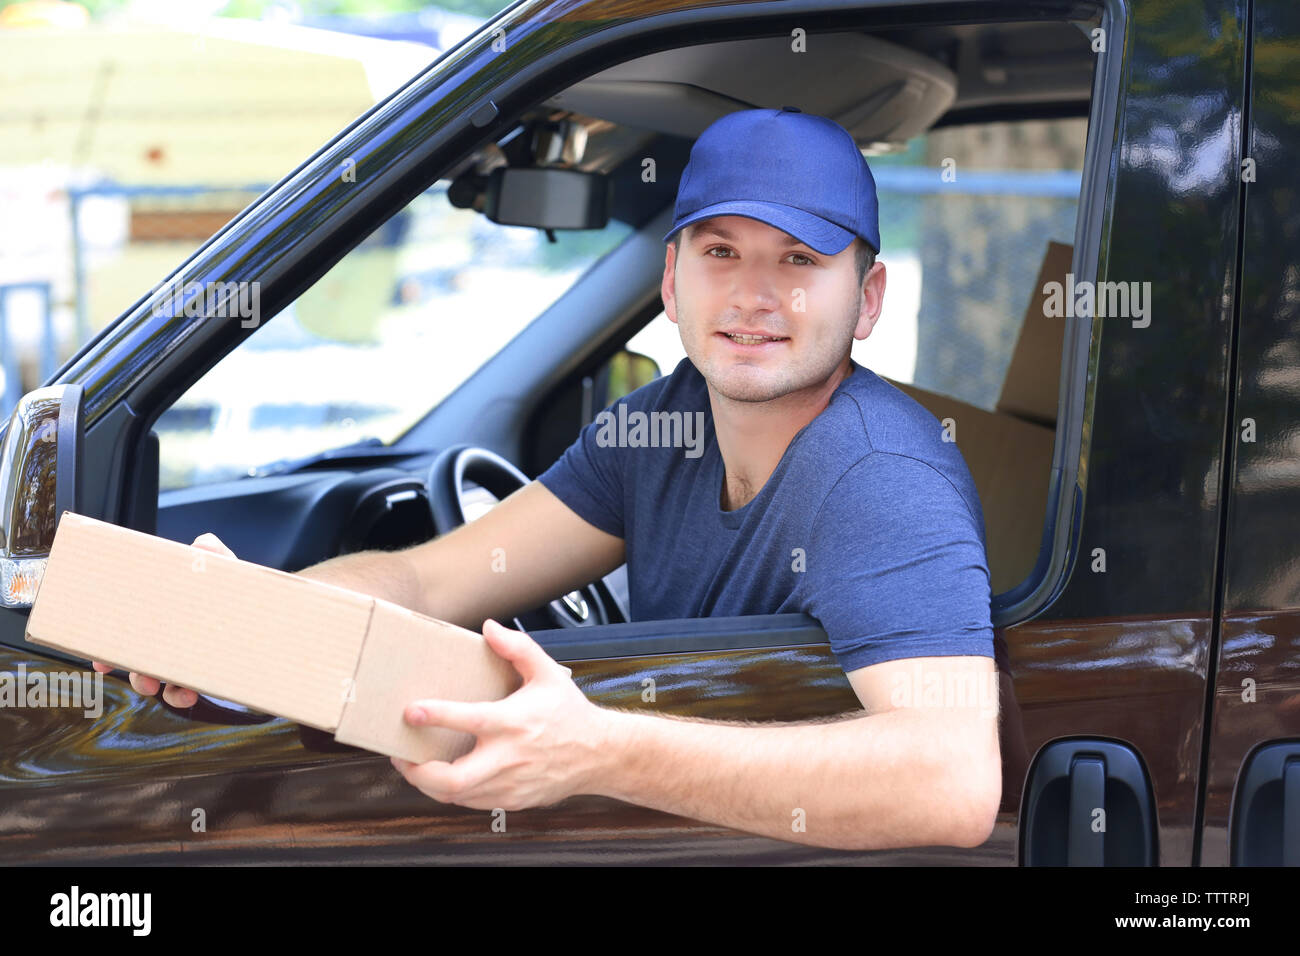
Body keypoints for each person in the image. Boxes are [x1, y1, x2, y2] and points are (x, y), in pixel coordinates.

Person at [100, 107, 1002, 851]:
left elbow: (952, 780)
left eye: (799, 260)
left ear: (869, 298)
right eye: (720, 252)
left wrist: (598, 751)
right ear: (670, 279)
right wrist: (245, 628)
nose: (753, 294)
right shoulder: (663, 424)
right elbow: (430, 578)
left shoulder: (880, 478)